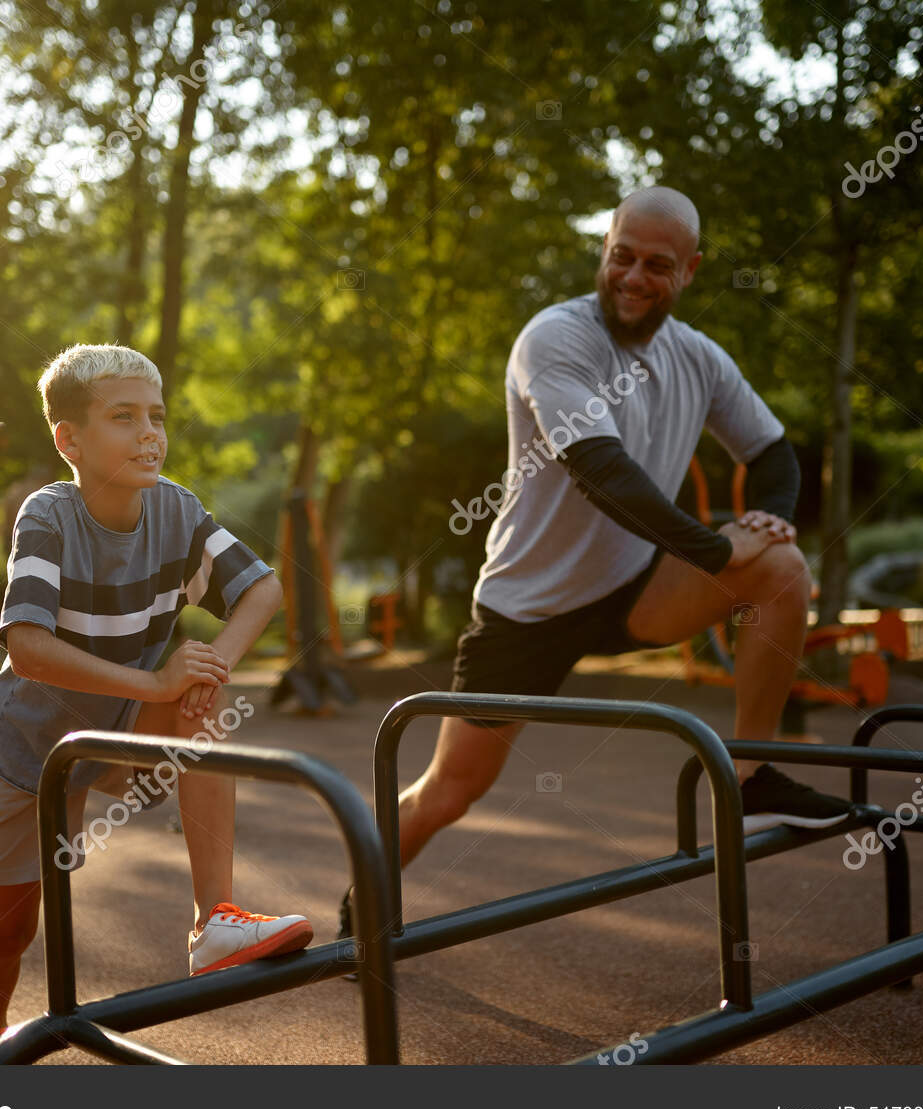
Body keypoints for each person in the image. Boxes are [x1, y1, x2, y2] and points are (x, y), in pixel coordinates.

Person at [341, 187, 853, 938]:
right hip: (529, 605)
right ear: (603, 251)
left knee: (780, 566)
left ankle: (747, 772)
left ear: (690, 272)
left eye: (658, 264)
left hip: (637, 589)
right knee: (453, 789)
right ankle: (366, 895)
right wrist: (716, 546)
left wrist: (764, 521)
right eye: (623, 256)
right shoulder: (555, 339)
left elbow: (772, 452)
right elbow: (602, 473)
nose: (635, 277)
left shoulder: (699, 359)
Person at [0, 344, 309, 1064]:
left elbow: (262, 588)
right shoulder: (49, 515)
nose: (150, 432)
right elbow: (26, 645)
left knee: (208, 693)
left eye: (157, 415)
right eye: (124, 417)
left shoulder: (176, 510)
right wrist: (155, 682)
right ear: (70, 440)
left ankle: (215, 918)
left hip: (122, 735)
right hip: (36, 752)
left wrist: (209, 667)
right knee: (12, 928)